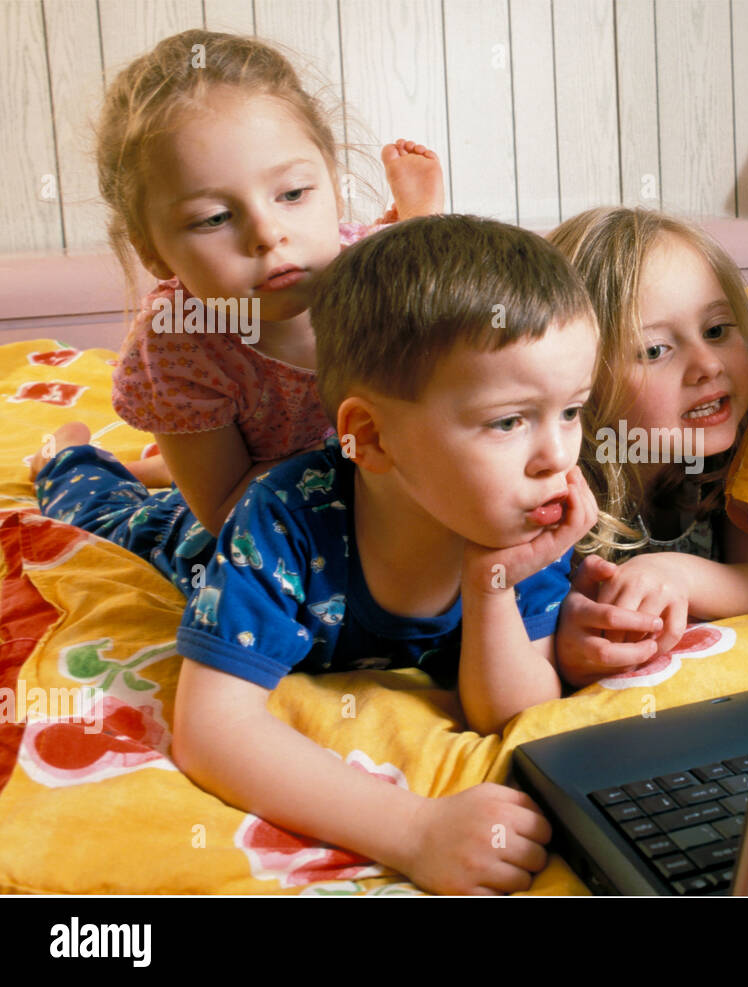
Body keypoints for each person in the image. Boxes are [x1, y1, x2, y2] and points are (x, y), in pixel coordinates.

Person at [29, 216, 599, 894]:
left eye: (572, 411)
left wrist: (493, 585)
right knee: (102, 507)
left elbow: (509, 713)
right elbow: (211, 730)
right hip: (197, 544)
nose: (559, 456)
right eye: (510, 420)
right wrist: (412, 830)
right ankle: (68, 450)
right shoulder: (282, 523)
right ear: (373, 438)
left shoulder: (515, 515)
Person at [95, 29, 443, 529]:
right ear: (153, 251)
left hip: (371, 487)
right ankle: (71, 458)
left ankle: (167, 463)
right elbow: (222, 514)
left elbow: (450, 324)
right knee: (124, 517)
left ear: (334, 191)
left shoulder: (377, 274)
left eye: (294, 193)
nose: (268, 234)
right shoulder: (177, 344)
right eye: (214, 218)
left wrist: (419, 220)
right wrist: (370, 455)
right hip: (263, 520)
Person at [547, 209, 748, 685]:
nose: (707, 365)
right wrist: (569, 645)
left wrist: (676, 574)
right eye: (655, 350)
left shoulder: (741, 454)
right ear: (580, 378)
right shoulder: (558, 489)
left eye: (718, 330)